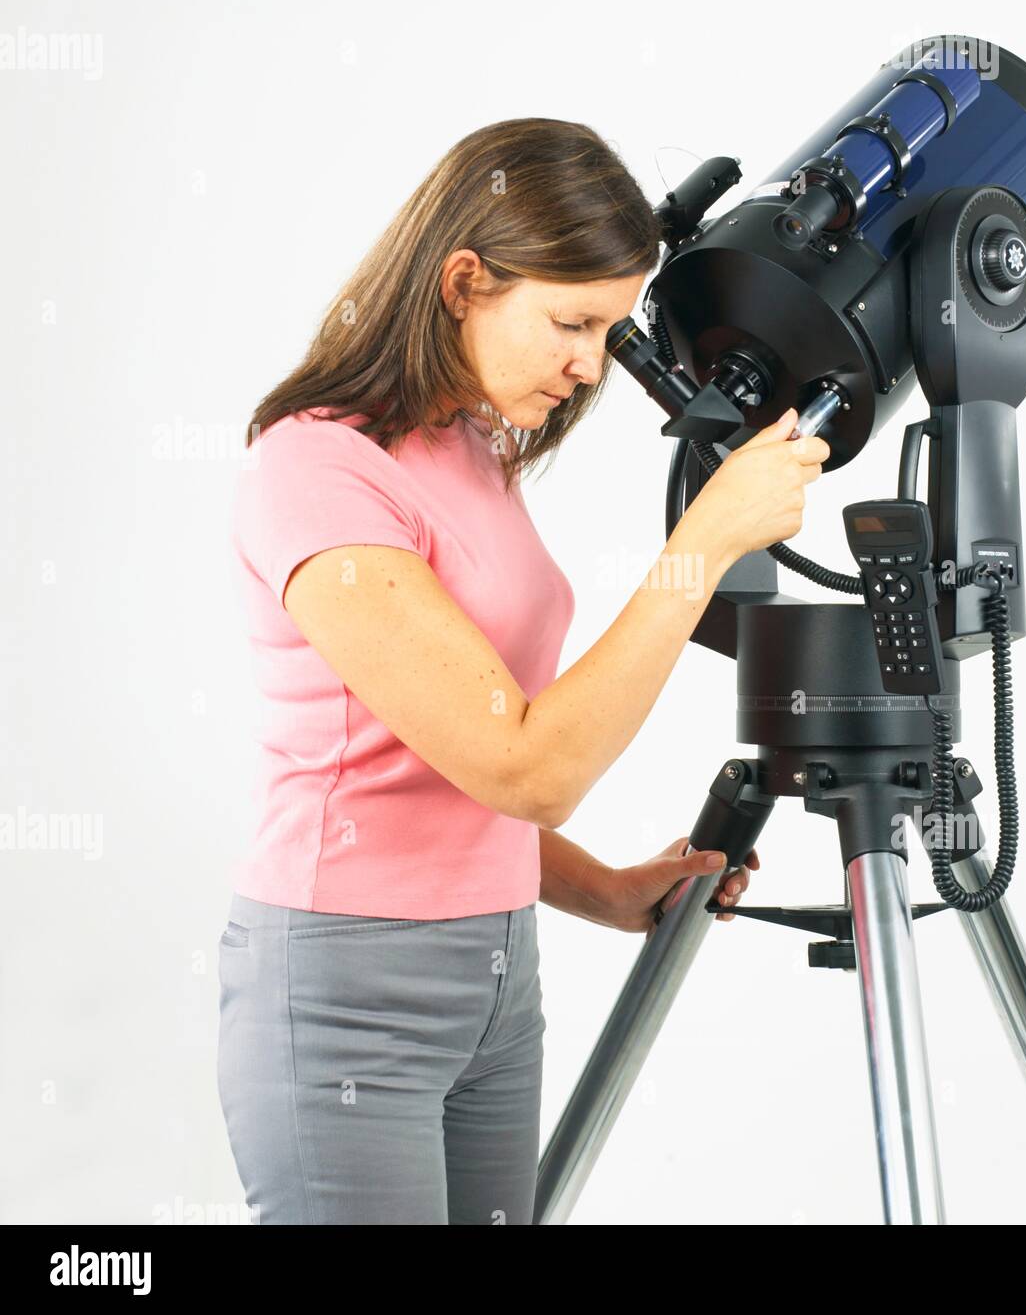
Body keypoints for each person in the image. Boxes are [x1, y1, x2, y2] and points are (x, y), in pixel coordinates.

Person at [216, 117, 831, 1225]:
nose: (592, 363)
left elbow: (444, 766)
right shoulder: (314, 467)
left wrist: (602, 888)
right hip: (349, 996)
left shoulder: (467, 447)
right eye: (571, 321)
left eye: (609, 327)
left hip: (499, 981)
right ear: (462, 281)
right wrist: (703, 541)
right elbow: (522, 765)